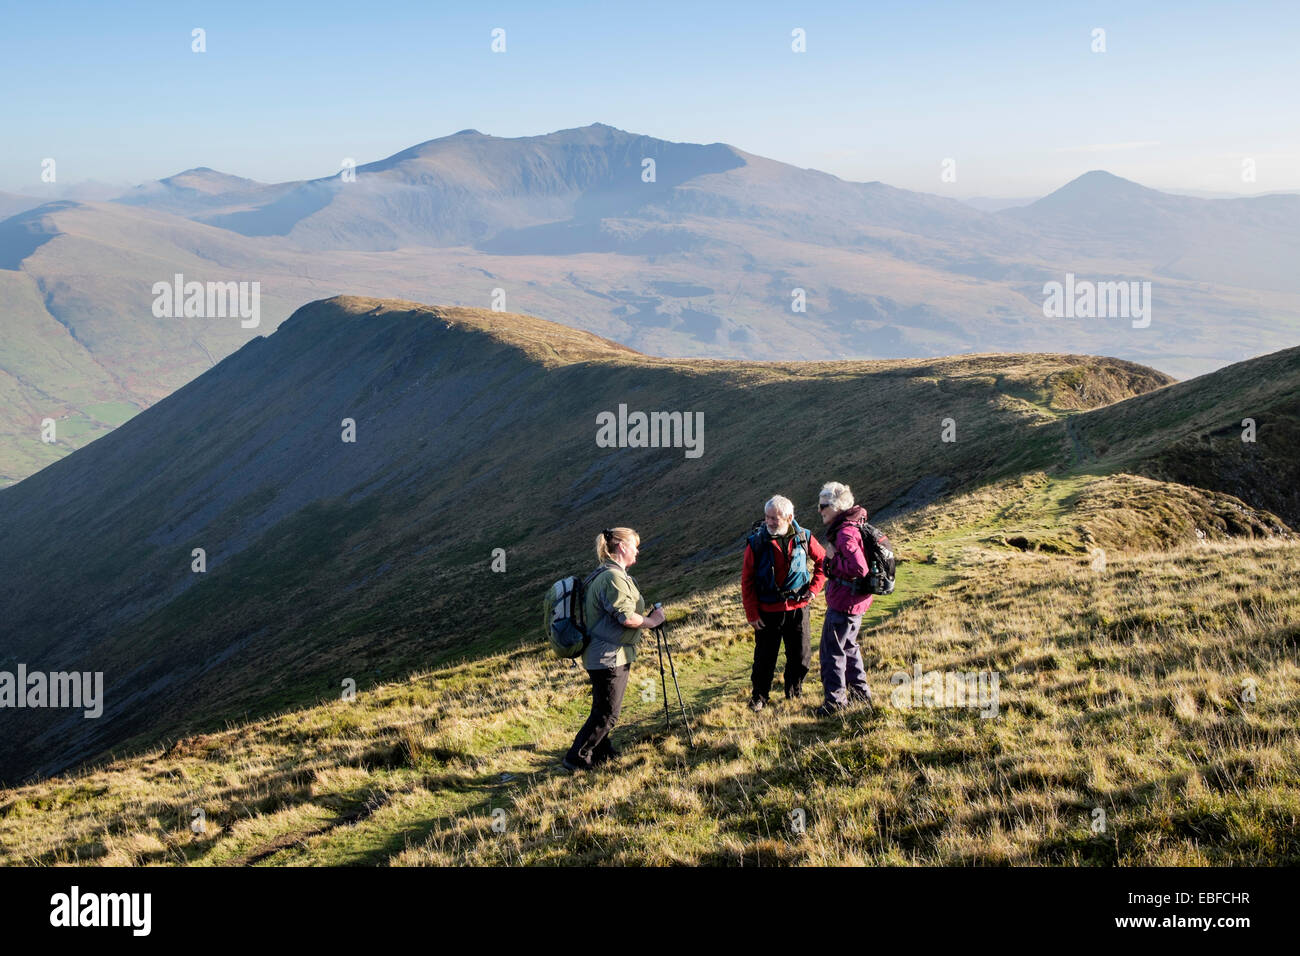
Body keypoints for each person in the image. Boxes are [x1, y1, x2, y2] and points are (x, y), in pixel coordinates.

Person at [563, 526, 665, 771]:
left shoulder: (607, 573)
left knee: (603, 707)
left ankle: (601, 751)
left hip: (605, 653)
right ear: (622, 547)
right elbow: (626, 617)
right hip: (608, 656)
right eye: (635, 546)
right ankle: (577, 757)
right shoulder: (612, 577)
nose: (638, 552)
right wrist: (653, 622)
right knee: (608, 713)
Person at [740, 495, 826, 710]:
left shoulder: (805, 537)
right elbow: (747, 580)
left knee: (801, 656)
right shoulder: (756, 544)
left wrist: (814, 590)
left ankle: (794, 694)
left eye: (774, 518)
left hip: (798, 609)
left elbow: (824, 562)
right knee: (764, 659)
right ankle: (759, 698)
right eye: (767, 517)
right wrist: (752, 613)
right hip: (767, 612)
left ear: (789, 518)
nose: (769, 522)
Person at [815, 482, 875, 717]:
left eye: (823, 506)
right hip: (854, 601)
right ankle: (861, 695)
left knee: (832, 652)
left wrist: (831, 558)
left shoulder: (844, 532)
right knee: (848, 647)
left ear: (836, 507)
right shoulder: (852, 525)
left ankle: (835, 703)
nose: (819, 510)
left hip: (844, 602)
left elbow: (859, 568)